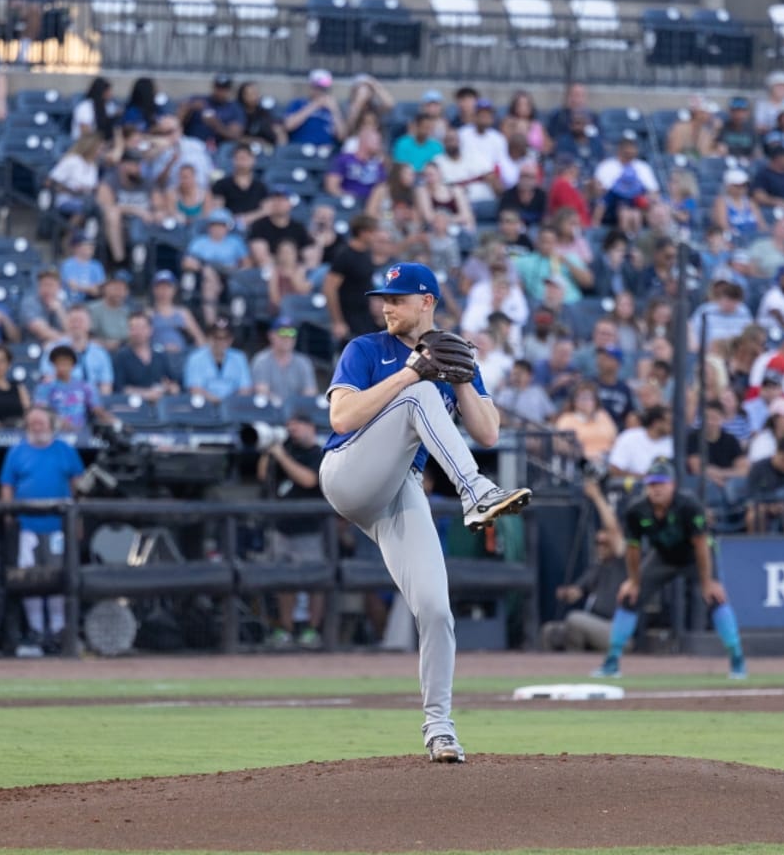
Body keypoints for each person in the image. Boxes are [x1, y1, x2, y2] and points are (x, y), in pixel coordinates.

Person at [319, 262, 531, 763]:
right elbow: (341, 417)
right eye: (384, 299)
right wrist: (412, 372)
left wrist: (461, 379)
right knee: (416, 394)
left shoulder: (452, 350)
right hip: (348, 471)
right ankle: (475, 492)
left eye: (398, 298)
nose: (386, 307)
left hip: (400, 487)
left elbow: (489, 432)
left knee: (435, 608)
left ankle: (440, 728)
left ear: (427, 302)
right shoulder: (365, 348)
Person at [591, 458, 745, 680]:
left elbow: (701, 545)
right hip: (663, 556)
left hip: (695, 557)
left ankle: (737, 659)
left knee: (715, 597)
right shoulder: (637, 510)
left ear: (672, 485)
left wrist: (707, 582)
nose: (656, 489)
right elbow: (633, 549)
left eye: (661, 483)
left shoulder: (689, 506)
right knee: (630, 598)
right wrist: (634, 581)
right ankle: (612, 661)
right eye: (652, 484)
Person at [0, 407, 86, 654]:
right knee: (30, 577)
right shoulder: (17, 451)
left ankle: (58, 630)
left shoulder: (65, 450)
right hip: (27, 526)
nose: (37, 427)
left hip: (59, 526)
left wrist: (78, 520)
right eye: (32, 423)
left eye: (41, 422)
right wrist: (7, 514)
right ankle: (36, 630)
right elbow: (7, 486)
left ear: (51, 424)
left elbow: (78, 486)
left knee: (59, 576)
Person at [256, 411, 329, 647]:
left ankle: (312, 629)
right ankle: (286, 629)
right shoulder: (286, 449)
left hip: (310, 528)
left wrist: (282, 456)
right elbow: (263, 475)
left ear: (310, 427)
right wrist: (269, 451)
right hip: (282, 527)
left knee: (314, 581)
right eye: (289, 427)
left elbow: (309, 480)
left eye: (297, 426)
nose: (292, 431)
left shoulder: (318, 452)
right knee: (284, 582)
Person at [544, 477, 629, 653]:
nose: (600, 546)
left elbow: (613, 529)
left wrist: (597, 497)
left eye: (605, 543)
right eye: (598, 543)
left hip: (617, 629)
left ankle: (577, 665)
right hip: (594, 624)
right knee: (550, 631)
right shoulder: (598, 567)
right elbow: (577, 593)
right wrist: (567, 593)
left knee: (575, 620)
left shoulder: (624, 561)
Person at [250, 317, 317, 404]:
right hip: (269, 409)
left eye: (292, 333)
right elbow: (262, 391)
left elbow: (310, 393)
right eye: (283, 332)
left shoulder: (304, 362)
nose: (287, 337)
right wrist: (282, 406)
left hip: (297, 410)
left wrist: (293, 407)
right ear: (271, 335)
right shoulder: (261, 360)